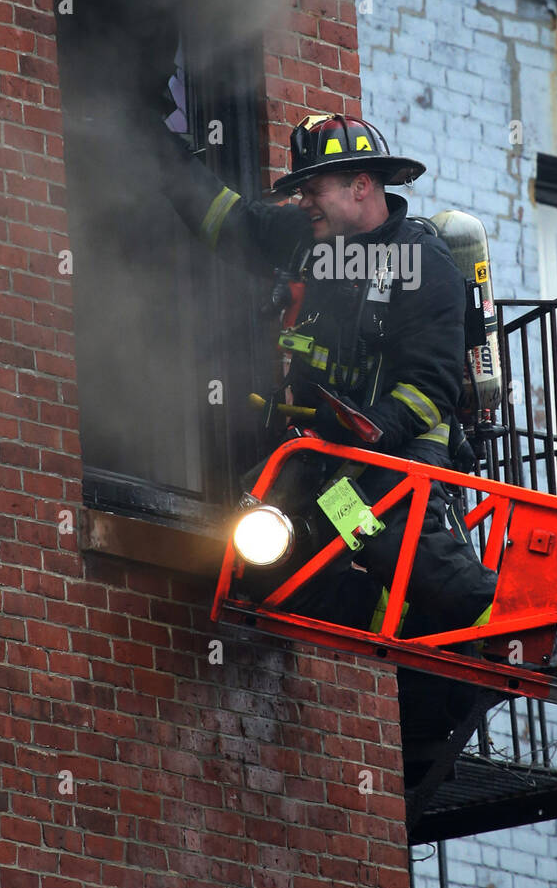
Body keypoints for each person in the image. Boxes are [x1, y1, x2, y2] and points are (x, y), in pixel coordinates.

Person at [156, 109, 499, 635]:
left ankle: (519, 625)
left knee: (384, 533)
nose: (303, 201)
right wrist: (162, 152)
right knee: (262, 562)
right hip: (327, 455)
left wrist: (368, 428)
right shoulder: (309, 240)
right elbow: (232, 224)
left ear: (360, 185)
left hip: (396, 452)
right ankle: (398, 617)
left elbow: (431, 386)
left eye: (313, 189)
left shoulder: (423, 263)